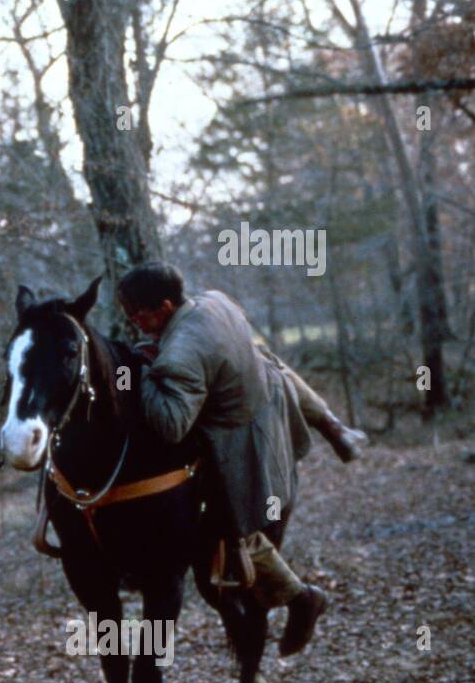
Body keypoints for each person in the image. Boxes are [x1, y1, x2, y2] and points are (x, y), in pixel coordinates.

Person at [117, 262, 362, 655]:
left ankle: (301, 598)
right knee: (264, 356)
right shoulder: (215, 301)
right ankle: (332, 425)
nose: (135, 323)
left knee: (232, 530)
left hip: (244, 437)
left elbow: (172, 425)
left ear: (165, 306)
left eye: (139, 314)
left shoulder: (179, 354)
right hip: (269, 398)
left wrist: (143, 372)